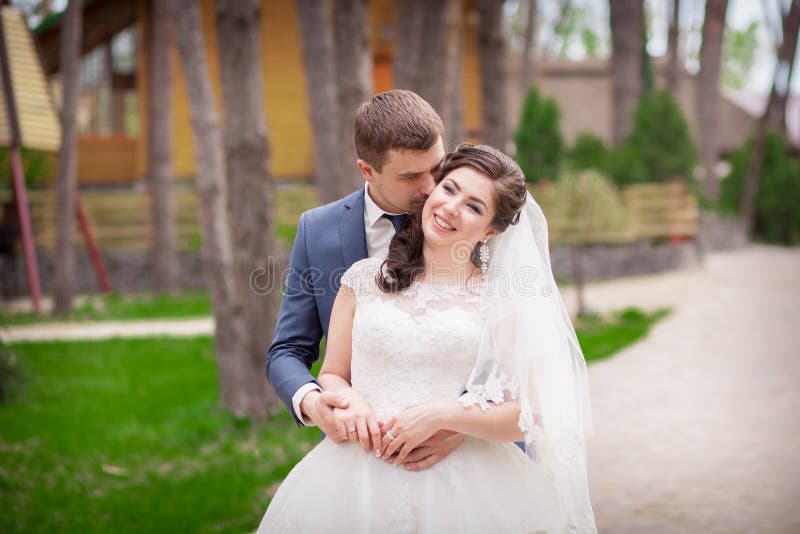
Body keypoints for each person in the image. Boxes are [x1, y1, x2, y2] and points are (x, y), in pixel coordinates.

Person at [258, 144, 596, 533]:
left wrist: (445, 416)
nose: (452, 208)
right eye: (449, 189)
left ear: (490, 230)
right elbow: (333, 372)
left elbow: (534, 414)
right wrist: (345, 400)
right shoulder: (363, 279)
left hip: (468, 491)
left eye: (474, 206)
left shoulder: (502, 300)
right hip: (352, 478)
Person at [267, 90, 470, 470]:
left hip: (468, 458)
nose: (431, 188)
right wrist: (317, 403)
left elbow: (518, 352)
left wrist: (463, 425)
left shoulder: (473, 222)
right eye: (411, 176)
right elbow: (288, 350)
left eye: (437, 168)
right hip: (365, 461)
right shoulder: (318, 231)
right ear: (367, 170)